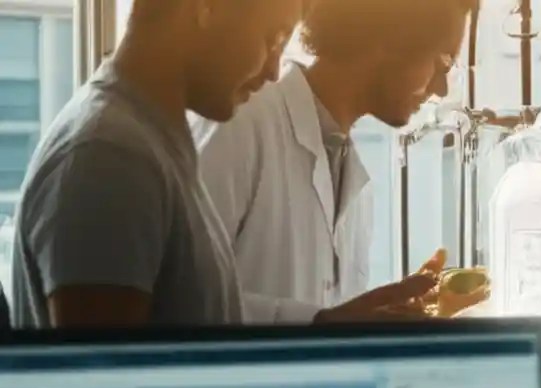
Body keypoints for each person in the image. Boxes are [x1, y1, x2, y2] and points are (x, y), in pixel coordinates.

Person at [8, 0, 436, 329]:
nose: (273, 71)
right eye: (271, 38)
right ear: (206, 8)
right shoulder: (110, 158)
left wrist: (327, 324)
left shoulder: (156, 145)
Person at [192, 0, 474, 321]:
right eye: (442, 62)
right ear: (392, 40)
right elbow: (173, 301)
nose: (440, 88)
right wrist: (320, 323)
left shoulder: (354, 179)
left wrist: (385, 315)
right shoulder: (241, 123)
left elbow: (337, 321)